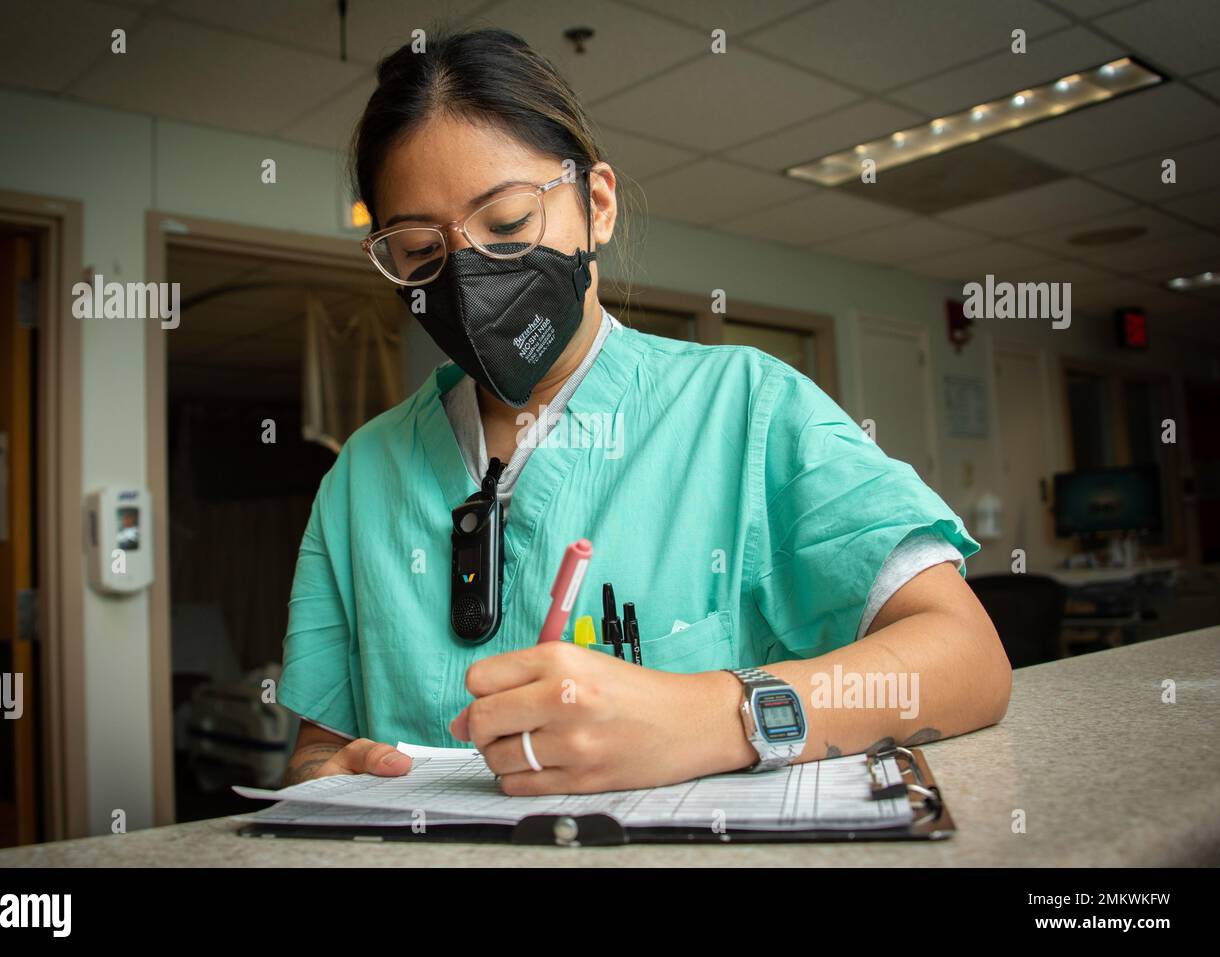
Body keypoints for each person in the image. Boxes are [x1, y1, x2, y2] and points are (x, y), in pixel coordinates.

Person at [278, 28, 1011, 795]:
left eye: (505, 225)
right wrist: (331, 773)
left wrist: (707, 716)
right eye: (421, 252)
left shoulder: (746, 409)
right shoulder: (362, 473)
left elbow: (966, 657)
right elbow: (315, 751)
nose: (466, 278)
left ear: (596, 205)